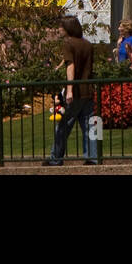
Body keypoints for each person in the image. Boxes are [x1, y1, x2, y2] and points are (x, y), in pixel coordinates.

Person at [43, 16, 98, 167]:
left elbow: (71, 66)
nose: (59, 30)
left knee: (62, 126)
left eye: (61, 27)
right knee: (90, 126)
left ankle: (56, 158)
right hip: (88, 90)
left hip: (75, 92)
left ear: (67, 28)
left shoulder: (68, 43)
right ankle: (93, 158)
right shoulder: (87, 44)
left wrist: (69, 90)